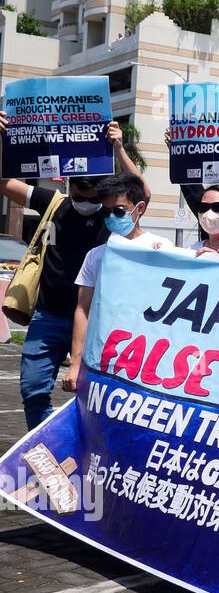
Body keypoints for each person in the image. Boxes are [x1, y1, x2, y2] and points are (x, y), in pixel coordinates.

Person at [0, 114, 146, 429]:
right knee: (33, 388)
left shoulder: (114, 216)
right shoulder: (53, 203)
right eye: (78, 195)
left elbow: (141, 193)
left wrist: (119, 148)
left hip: (99, 320)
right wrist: (3, 141)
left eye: (91, 199)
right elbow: (5, 183)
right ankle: (48, 445)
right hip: (49, 315)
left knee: (102, 394)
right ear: (69, 185)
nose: (83, 202)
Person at [63, 174, 173, 393]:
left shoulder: (163, 248)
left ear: (139, 208)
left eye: (119, 211)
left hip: (149, 359)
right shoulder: (96, 256)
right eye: (107, 212)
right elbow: (83, 309)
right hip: (103, 356)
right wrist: (75, 364)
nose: (112, 217)